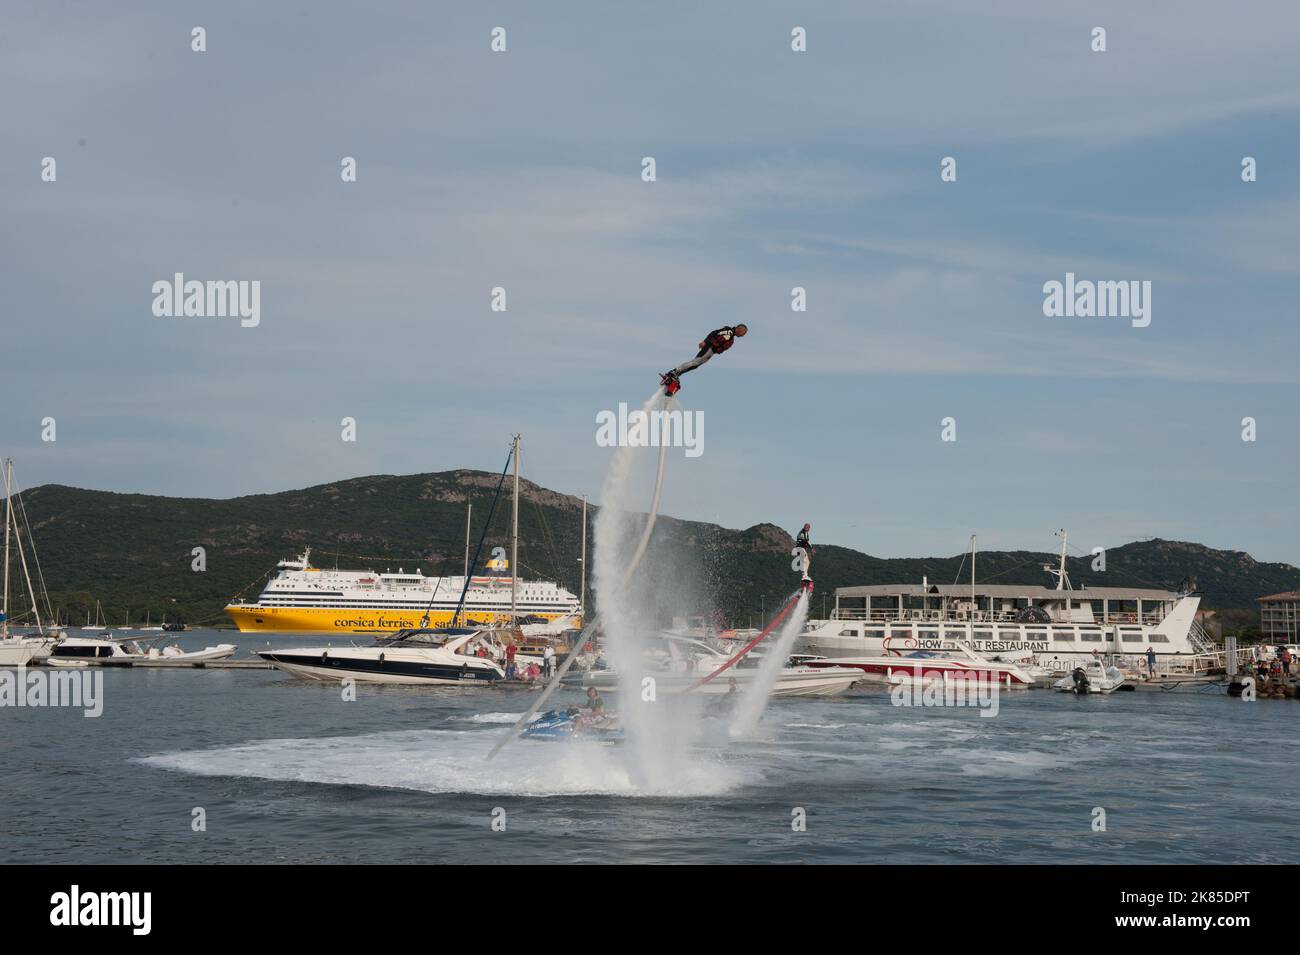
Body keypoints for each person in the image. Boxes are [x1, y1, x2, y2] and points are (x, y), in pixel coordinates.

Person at [660, 324, 748, 395]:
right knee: (695, 362)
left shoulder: (731, 337)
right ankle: (674, 372)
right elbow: (714, 333)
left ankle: (676, 375)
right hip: (709, 347)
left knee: (695, 365)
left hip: (712, 351)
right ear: (739, 329)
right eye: (743, 333)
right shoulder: (728, 331)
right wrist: (705, 341)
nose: (743, 335)